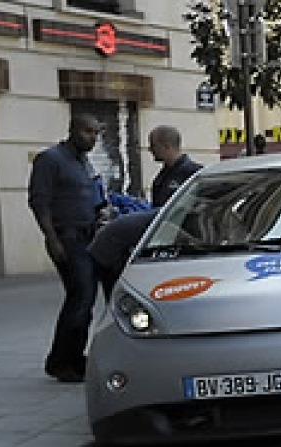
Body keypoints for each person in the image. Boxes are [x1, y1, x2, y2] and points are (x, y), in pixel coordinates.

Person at [28, 114, 103, 382]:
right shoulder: (50, 160)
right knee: (80, 297)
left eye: (96, 133)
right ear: (72, 130)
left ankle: (73, 357)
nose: (92, 138)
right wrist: (51, 239)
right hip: (67, 238)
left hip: (88, 236)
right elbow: (39, 202)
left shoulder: (83, 162)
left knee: (84, 299)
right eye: (87, 132)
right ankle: (60, 361)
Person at [89, 125, 203, 298]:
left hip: (184, 245)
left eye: (153, 145)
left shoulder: (194, 174)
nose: (149, 150)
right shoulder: (163, 175)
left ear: (166, 146)